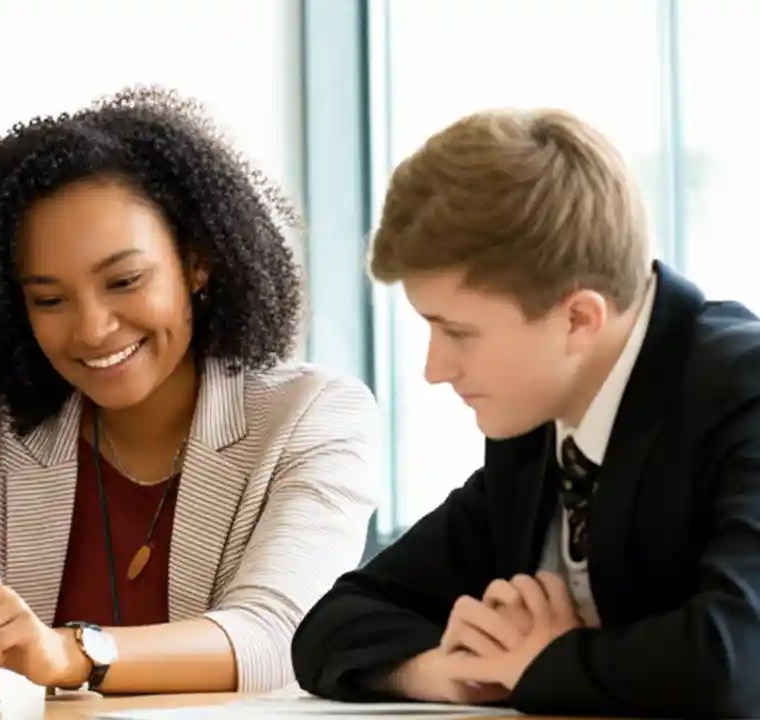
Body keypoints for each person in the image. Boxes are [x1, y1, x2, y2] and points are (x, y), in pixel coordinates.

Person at [0, 87, 378, 695]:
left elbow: (277, 637)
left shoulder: (315, 417)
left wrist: (72, 652)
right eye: (50, 300)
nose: (91, 328)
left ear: (197, 263)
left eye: (125, 280)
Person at [291, 108, 760, 717]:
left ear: (577, 319)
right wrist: (447, 670)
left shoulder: (741, 391)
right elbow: (332, 625)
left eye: (458, 333)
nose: (434, 369)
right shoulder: (544, 423)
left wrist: (546, 663)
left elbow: (733, 665)